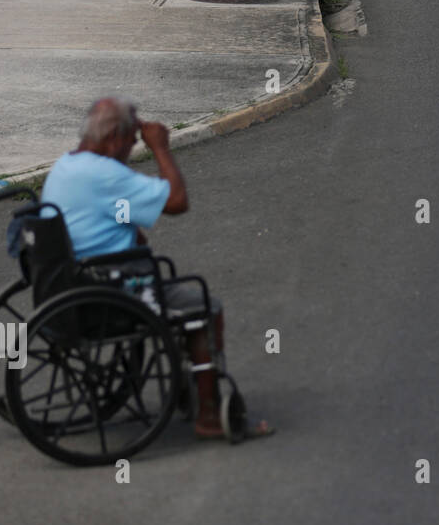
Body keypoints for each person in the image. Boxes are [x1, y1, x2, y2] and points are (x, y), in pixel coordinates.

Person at [39, 97, 273, 440]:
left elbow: (98, 214)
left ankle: (184, 384)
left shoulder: (66, 166)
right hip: (109, 292)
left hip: (68, 283)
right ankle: (208, 415)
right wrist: (161, 148)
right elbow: (177, 202)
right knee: (204, 307)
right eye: (133, 141)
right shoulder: (107, 174)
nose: (134, 148)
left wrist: (128, 228)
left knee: (165, 278)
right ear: (115, 137)